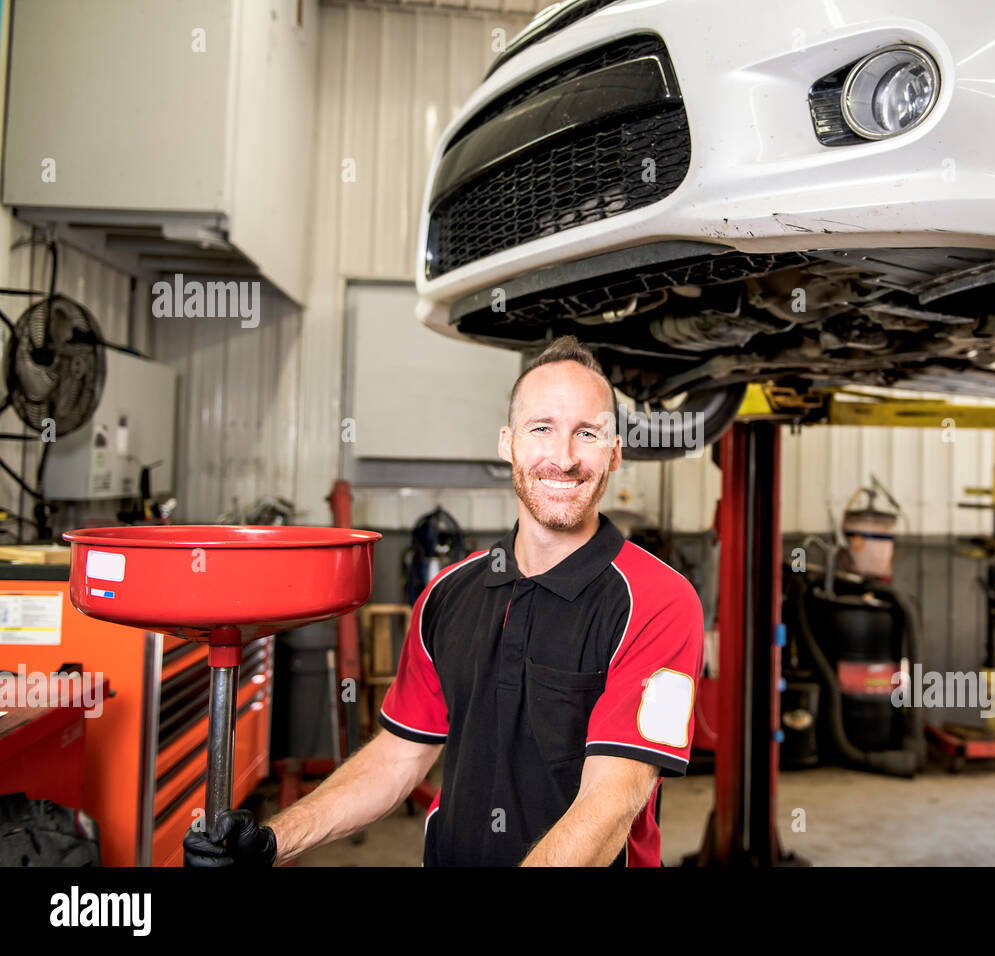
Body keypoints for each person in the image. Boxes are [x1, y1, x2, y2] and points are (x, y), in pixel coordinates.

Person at [184, 336, 704, 866]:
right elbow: (396, 758)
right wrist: (272, 841)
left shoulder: (661, 603)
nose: (564, 457)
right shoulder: (447, 595)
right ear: (508, 443)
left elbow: (611, 802)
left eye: (587, 433)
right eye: (541, 428)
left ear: (615, 452)